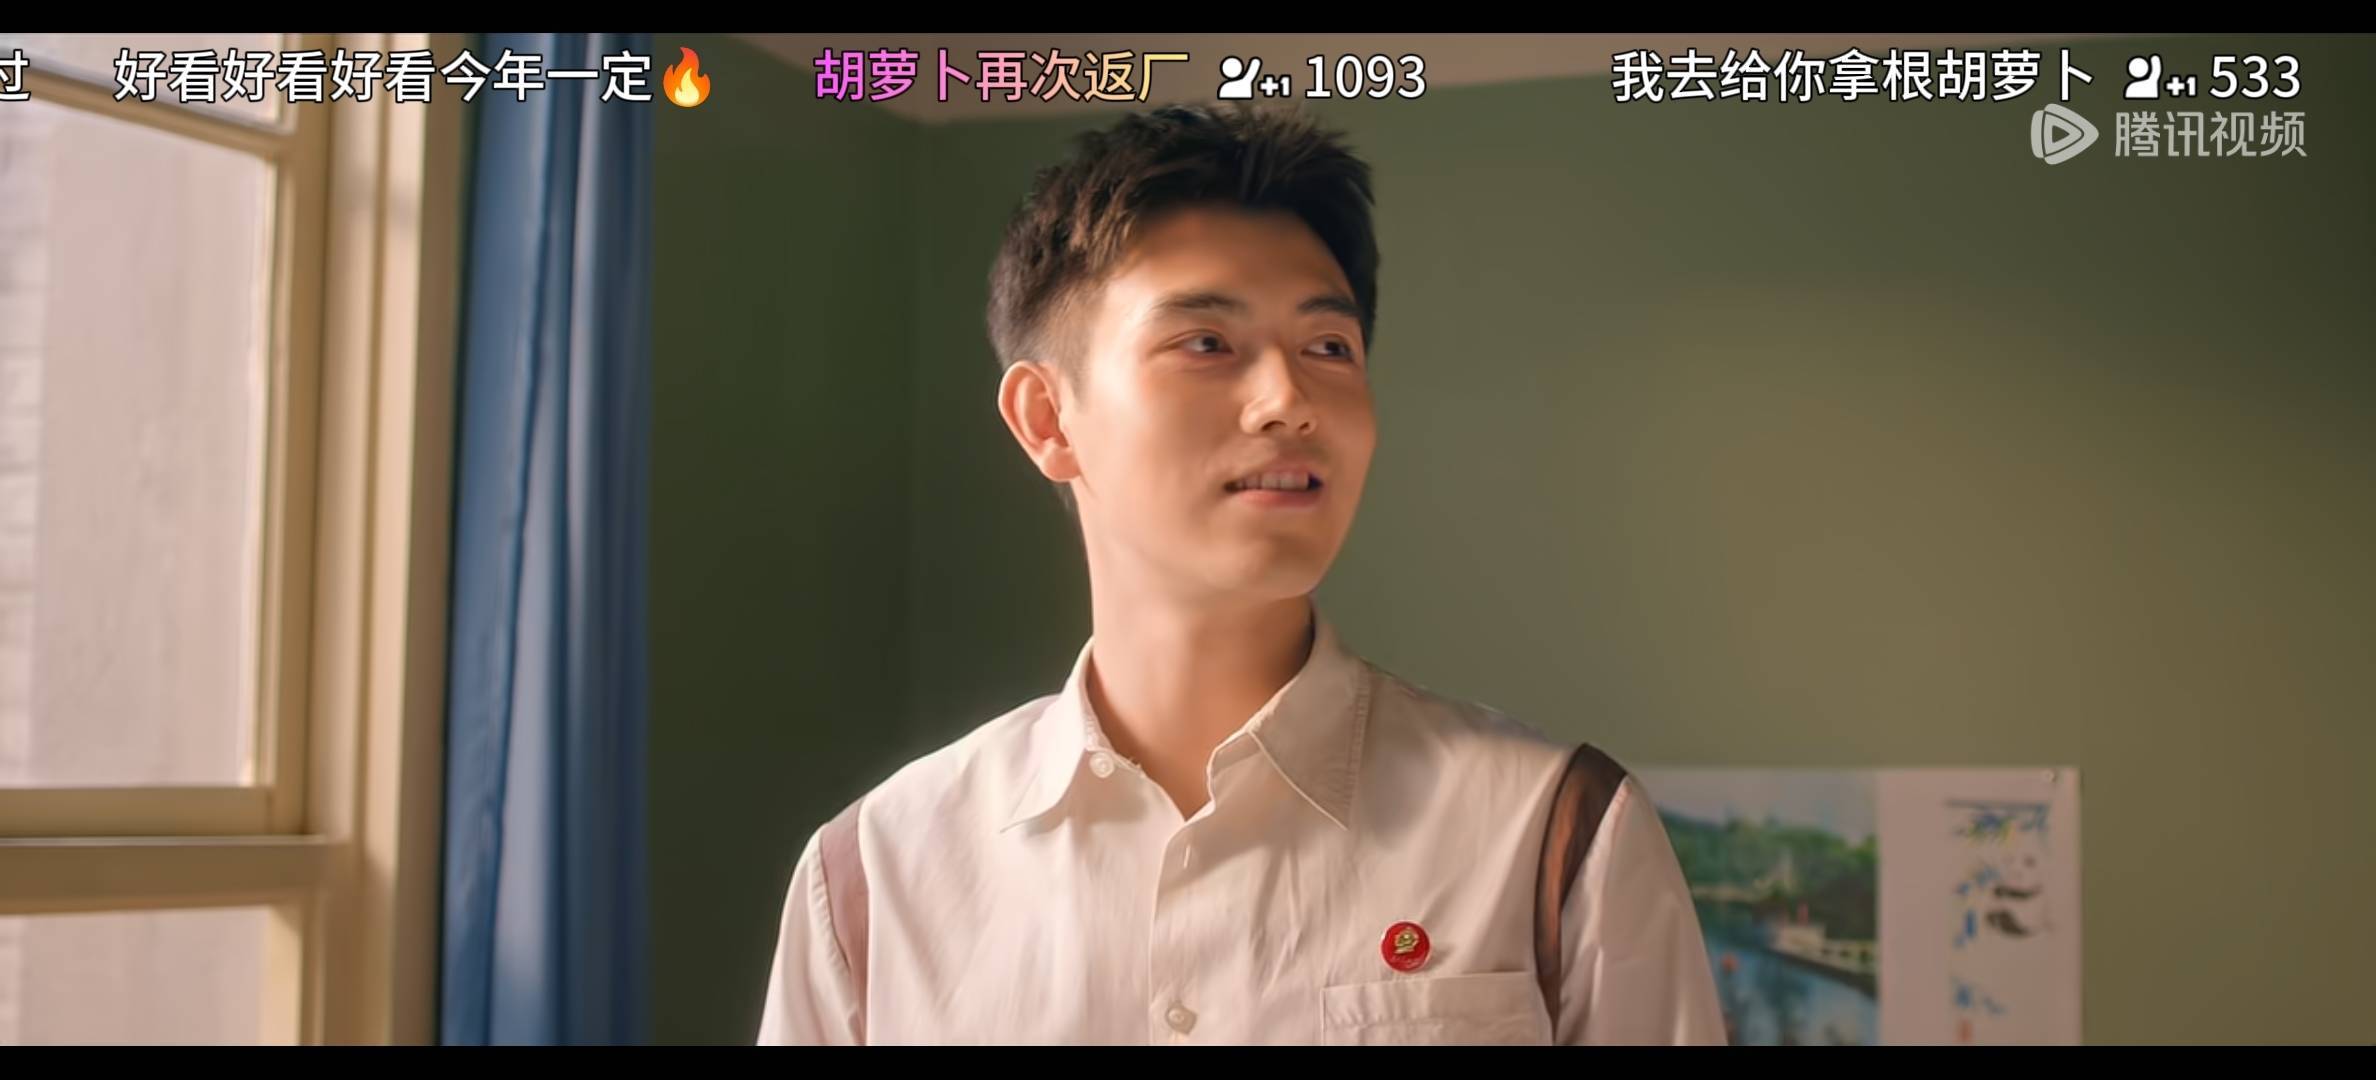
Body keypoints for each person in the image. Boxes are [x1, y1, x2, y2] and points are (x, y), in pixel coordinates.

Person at [757, 102, 1723, 1046]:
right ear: (1048, 420)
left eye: (1329, 347)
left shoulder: (1555, 832)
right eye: (1206, 344)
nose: (1287, 400)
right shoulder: (876, 875)